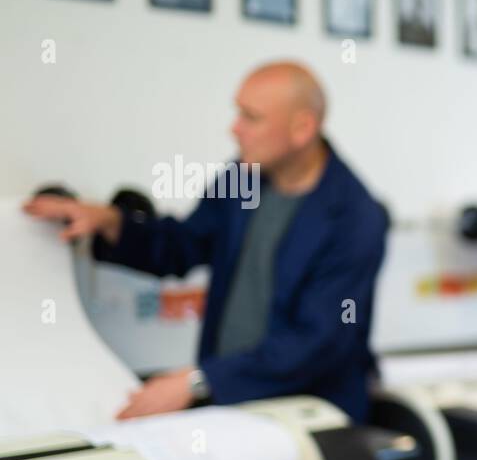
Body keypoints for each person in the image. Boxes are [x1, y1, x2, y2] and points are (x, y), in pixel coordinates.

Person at [23, 61, 387, 423]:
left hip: (309, 415)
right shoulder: (244, 177)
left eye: (251, 117)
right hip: (229, 406)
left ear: (302, 128)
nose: (235, 128)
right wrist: (112, 222)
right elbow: (184, 244)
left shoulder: (355, 217)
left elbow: (318, 342)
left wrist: (199, 381)